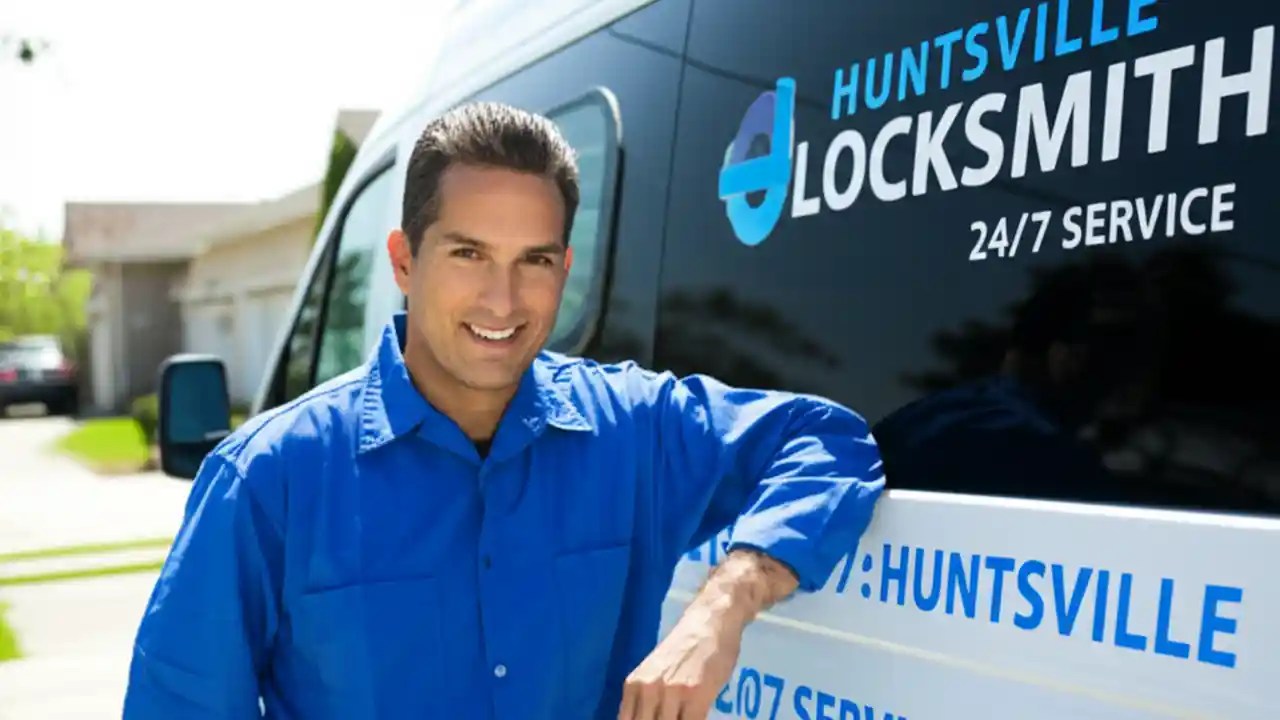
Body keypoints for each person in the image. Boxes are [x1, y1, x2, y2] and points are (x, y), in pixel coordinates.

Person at [122, 102, 886, 720]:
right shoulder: (268, 478)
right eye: (468, 254)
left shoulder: (633, 430)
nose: (503, 300)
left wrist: (724, 604)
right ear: (403, 261)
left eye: (535, 261)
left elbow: (829, 441)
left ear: (566, 269)